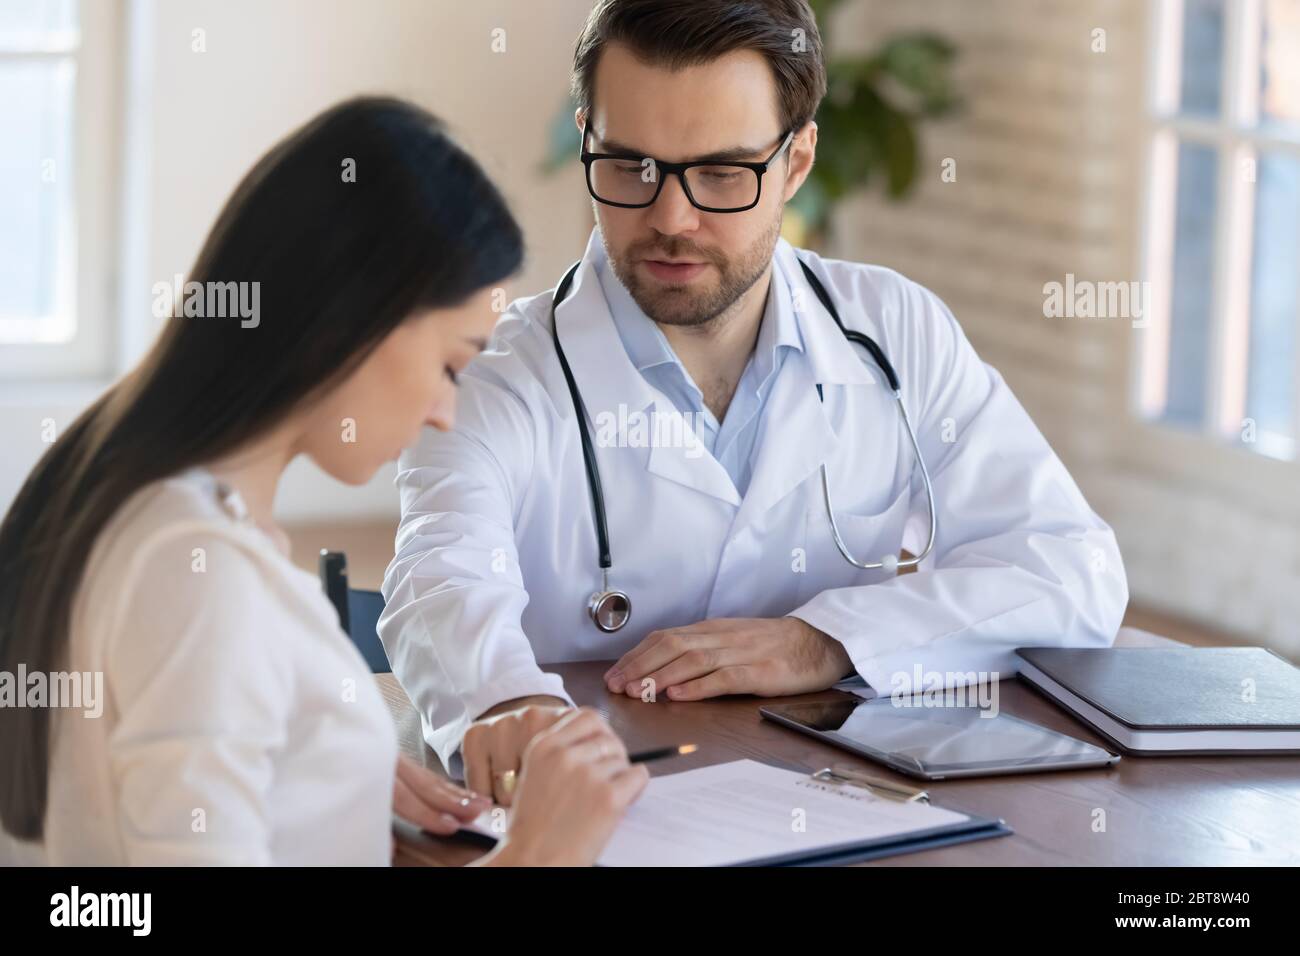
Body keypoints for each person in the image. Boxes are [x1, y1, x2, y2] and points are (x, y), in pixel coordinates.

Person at [379, 0, 1129, 803]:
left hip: (837, 807)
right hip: (600, 806)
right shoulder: (496, 371)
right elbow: (439, 570)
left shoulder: (897, 331)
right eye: (630, 166)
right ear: (587, 141)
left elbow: (1070, 569)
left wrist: (827, 640)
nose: (670, 218)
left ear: (797, 163)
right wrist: (506, 698)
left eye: (721, 173)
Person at [0, 97, 647, 866]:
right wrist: (537, 854)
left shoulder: (145, 499)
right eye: (450, 366)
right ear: (351, 323)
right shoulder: (197, 575)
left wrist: (322, 774)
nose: (447, 413)